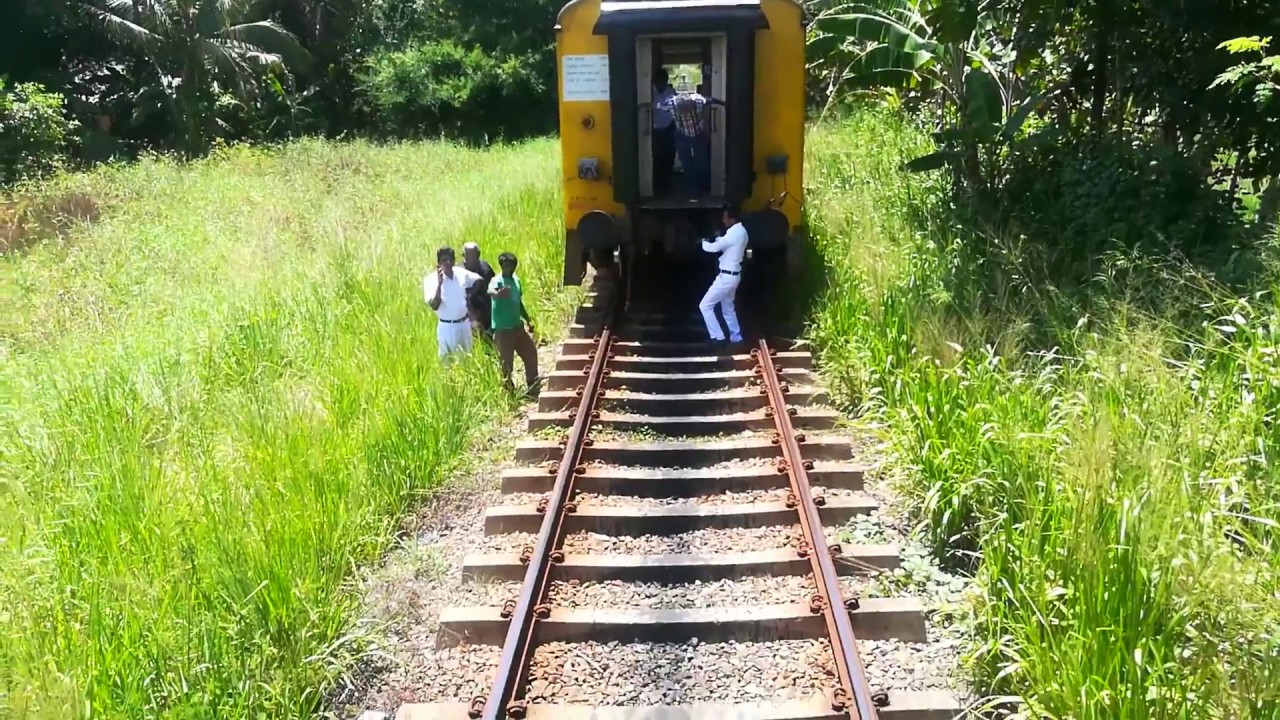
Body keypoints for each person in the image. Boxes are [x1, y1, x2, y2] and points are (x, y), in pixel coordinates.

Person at [489, 252, 541, 393]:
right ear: (501, 266)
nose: (508, 268)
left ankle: (533, 383)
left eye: (511, 265)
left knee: (530, 353)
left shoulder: (516, 280)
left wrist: (527, 319)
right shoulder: (497, 280)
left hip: (517, 327)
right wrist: (498, 293)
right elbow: (491, 290)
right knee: (506, 364)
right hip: (503, 330)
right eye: (505, 265)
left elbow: (519, 303)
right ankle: (509, 392)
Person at [698, 204, 748, 344]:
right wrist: (719, 239)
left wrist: (703, 243)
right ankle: (736, 337)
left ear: (732, 219)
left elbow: (715, 248)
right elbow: (726, 243)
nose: (724, 221)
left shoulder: (734, 233)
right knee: (728, 308)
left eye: (725, 218)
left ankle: (717, 337)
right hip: (733, 276)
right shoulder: (741, 231)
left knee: (705, 305)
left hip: (726, 277)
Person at [424, 246, 484, 359]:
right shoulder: (430, 280)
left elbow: (478, 280)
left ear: (454, 261)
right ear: (438, 263)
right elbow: (435, 305)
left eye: (450, 260)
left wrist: (469, 295)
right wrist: (439, 284)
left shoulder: (460, 273)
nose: (447, 263)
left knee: (467, 357)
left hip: (464, 324)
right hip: (447, 327)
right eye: (444, 260)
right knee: (447, 360)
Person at [462, 241, 496, 339]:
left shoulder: (485, 267)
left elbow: (494, 285)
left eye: (474, 255)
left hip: (488, 312)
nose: (472, 259)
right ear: (463, 256)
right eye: (469, 256)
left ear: (478, 254)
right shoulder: (460, 273)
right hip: (470, 316)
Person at [651, 69, 677, 195]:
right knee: (657, 158)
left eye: (662, 81)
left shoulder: (671, 92)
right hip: (655, 130)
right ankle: (658, 184)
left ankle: (668, 184)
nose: (660, 84)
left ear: (666, 81)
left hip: (669, 128)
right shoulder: (650, 93)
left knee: (669, 157)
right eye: (658, 82)